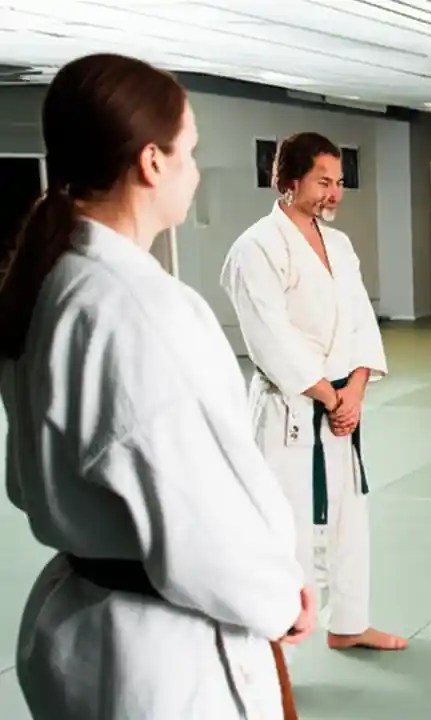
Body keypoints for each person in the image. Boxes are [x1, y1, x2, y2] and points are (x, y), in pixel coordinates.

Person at [0, 53, 313, 719]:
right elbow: (201, 520)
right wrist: (278, 597)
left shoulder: (49, 281)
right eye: (190, 151)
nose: (196, 171)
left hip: (89, 628)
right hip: (167, 657)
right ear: (151, 162)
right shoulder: (139, 308)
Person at [220, 132, 407, 652]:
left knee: (350, 520)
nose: (335, 194)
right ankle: (270, 645)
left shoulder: (340, 245)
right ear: (288, 181)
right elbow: (270, 336)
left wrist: (357, 393)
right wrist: (330, 396)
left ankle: (349, 624)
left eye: (339, 182)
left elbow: (361, 322)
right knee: (285, 530)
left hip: (342, 405)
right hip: (291, 411)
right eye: (324, 181)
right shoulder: (255, 247)